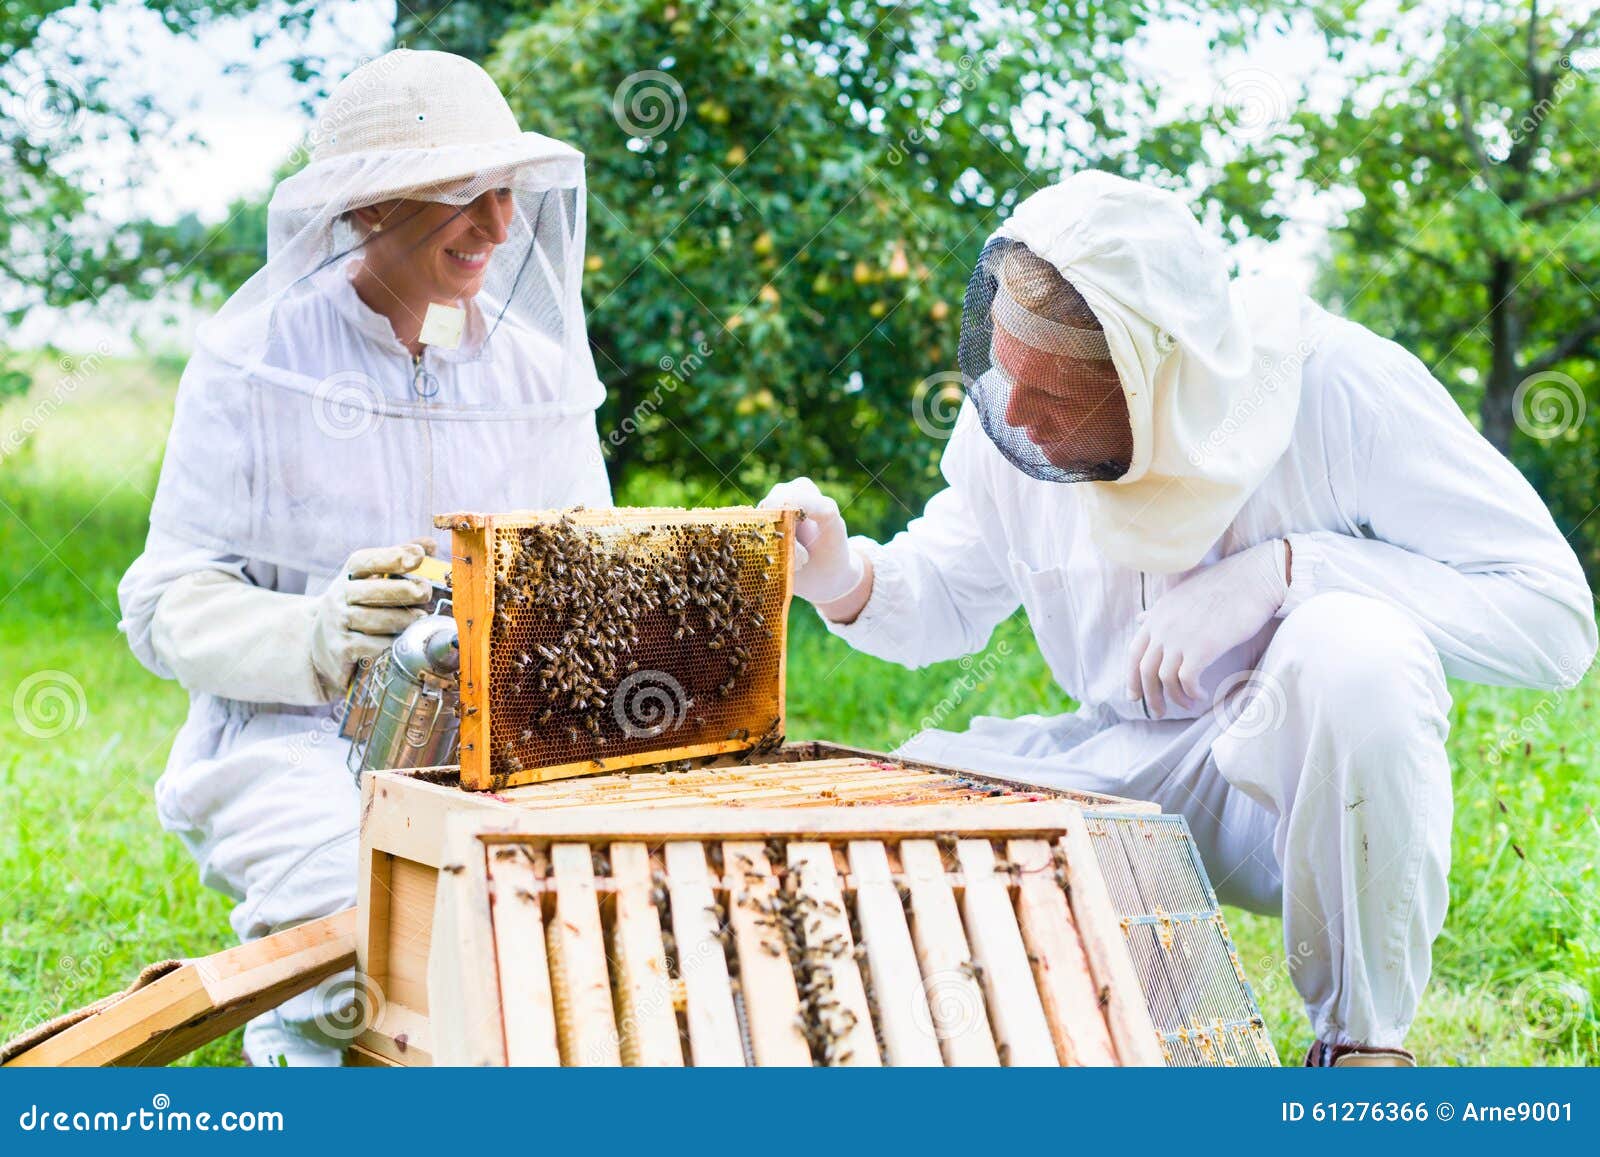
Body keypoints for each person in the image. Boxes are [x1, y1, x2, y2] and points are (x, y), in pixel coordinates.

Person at [762, 171, 1596, 1066]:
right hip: (1106, 768)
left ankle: (1363, 1050)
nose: (1015, 414)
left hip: (1289, 788)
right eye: (1004, 374)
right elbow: (945, 598)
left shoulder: (1337, 386)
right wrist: (843, 575)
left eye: (1050, 397)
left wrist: (1289, 570)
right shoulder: (1011, 416)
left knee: (1359, 650)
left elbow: (1552, 619)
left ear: (1153, 377)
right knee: (884, 815)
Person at [117, 49, 610, 1066]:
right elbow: (166, 601)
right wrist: (313, 630)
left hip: (496, 744)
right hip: (292, 742)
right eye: (463, 198)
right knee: (378, 934)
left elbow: (587, 573)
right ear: (367, 206)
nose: (500, 228)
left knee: (583, 931)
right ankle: (298, 1037)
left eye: (506, 194)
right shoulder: (257, 363)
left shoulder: (535, 371)